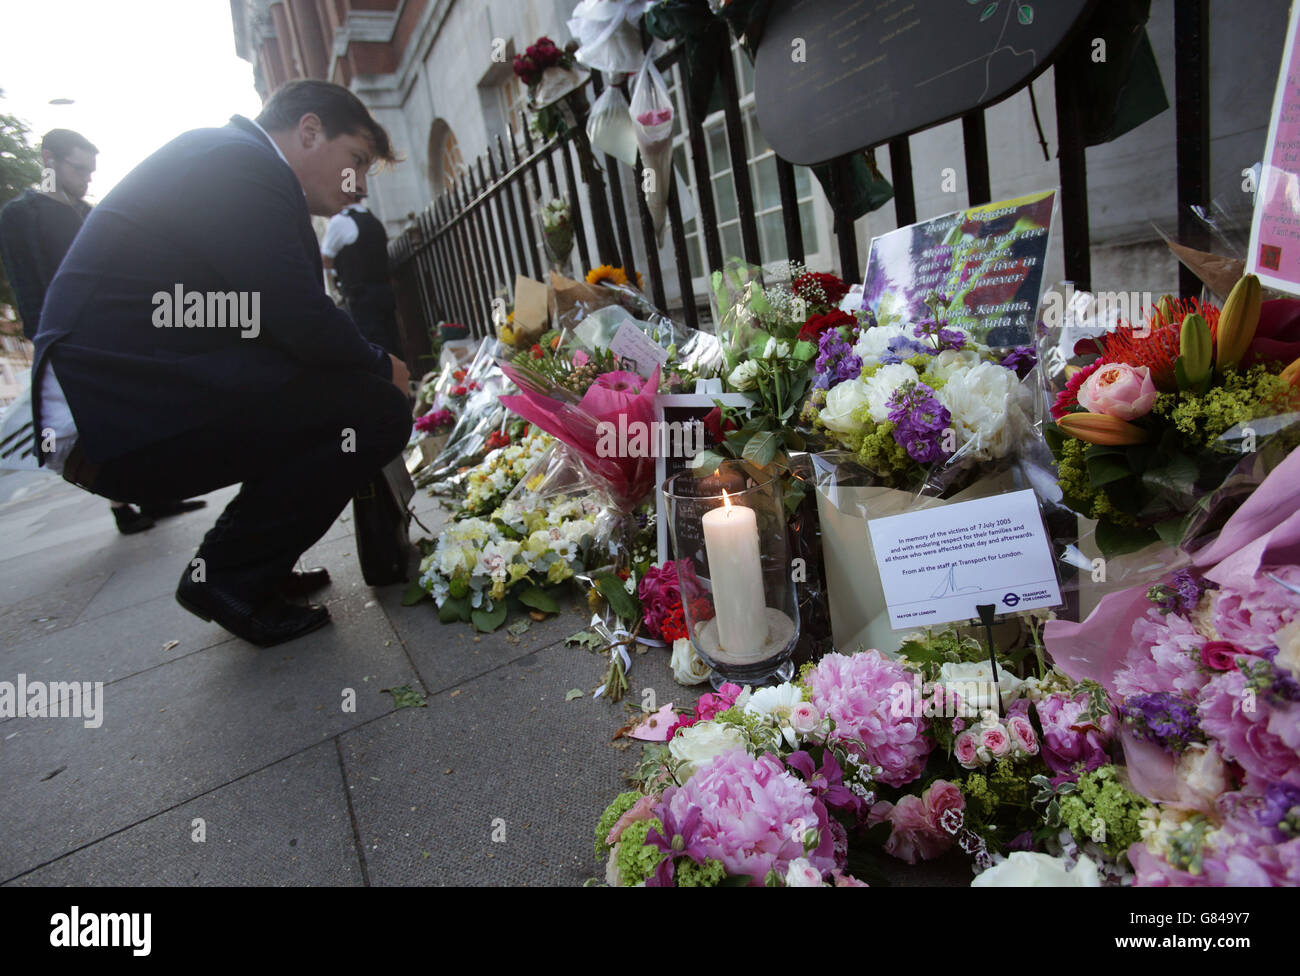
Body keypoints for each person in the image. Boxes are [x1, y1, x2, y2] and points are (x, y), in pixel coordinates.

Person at [31, 81, 412, 647]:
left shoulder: (237, 162)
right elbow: (294, 314)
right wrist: (384, 367)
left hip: (125, 402)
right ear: (309, 131)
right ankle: (230, 574)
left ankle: (255, 563)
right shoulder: (239, 162)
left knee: (333, 400)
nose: (356, 184)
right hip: (109, 412)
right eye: (355, 160)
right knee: (374, 408)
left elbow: (278, 324)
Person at [0, 129, 204, 534]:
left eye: (91, 172)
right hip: (67, 336)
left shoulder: (86, 211)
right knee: (96, 421)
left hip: (110, 328)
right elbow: (29, 284)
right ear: (48, 160)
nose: (86, 179)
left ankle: (155, 496)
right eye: (79, 169)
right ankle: (122, 508)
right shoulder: (21, 214)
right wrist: (48, 343)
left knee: (136, 413)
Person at [321, 198, 403, 357]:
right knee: (392, 341)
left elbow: (325, 258)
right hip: (384, 290)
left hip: (360, 295)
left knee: (374, 347)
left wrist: (338, 271)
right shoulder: (372, 220)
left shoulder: (340, 221)